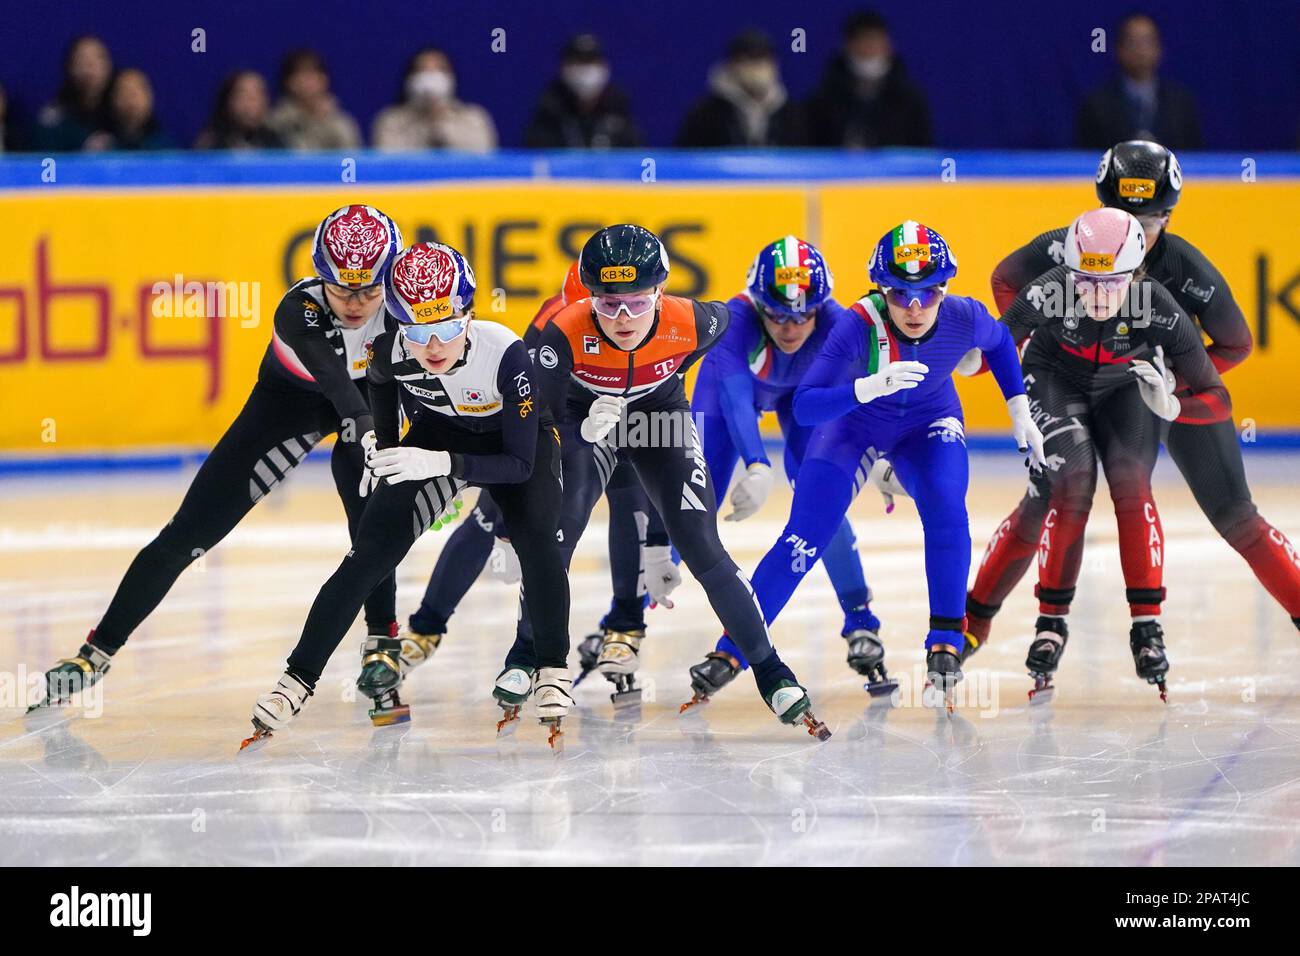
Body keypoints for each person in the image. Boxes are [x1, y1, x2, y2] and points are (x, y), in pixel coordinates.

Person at [29, 205, 404, 711]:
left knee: (372, 519)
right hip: (291, 405)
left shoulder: (409, 304)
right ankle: (93, 654)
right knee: (187, 536)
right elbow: (338, 389)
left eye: (369, 290)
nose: (356, 303)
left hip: (373, 397)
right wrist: (370, 432)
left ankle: (382, 640)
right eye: (342, 289)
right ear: (320, 277)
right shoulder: (298, 310)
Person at [684, 222, 1045, 712]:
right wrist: (866, 388)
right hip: (854, 427)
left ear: (946, 288)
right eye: (900, 294)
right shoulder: (857, 325)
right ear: (882, 290)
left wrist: (1018, 407)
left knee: (945, 503)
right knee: (805, 534)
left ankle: (945, 639)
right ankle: (733, 648)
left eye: (928, 292)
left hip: (928, 424)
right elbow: (807, 407)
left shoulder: (963, 316)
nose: (914, 308)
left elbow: (1001, 342)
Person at [968, 140, 1300, 655]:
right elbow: (1005, 280)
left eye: (1147, 223)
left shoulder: (1186, 270)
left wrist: (1174, 384)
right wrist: (1029, 341)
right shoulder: (1070, 249)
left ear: (1169, 216)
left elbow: (1236, 344)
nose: (1132, 235)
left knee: (1236, 515)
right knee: (1051, 494)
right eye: (1119, 216)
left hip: (1151, 387)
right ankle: (975, 623)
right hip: (1071, 377)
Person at [243, 241, 572, 747]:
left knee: (539, 549)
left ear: (469, 314)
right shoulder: (389, 351)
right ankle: (297, 678)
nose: (434, 346)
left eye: (445, 328)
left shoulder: (503, 351)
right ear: (399, 324)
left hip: (514, 445)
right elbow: (379, 387)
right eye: (418, 332)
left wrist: (443, 465)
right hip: (436, 436)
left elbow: (520, 464)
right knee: (366, 556)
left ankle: (551, 667)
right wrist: (384, 450)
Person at [510, 223, 831, 737]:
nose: (622, 318)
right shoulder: (564, 330)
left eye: (636, 303)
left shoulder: (700, 322)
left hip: (659, 420)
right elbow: (534, 426)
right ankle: (527, 651)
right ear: (589, 296)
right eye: (608, 303)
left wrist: (739, 452)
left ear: (660, 292)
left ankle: (772, 670)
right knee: (559, 529)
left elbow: (726, 370)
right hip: (587, 421)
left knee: (703, 547)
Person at [396, 263, 670, 708]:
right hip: (564, 429)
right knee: (493, 514)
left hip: (625, 420)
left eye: (628, 306)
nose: (615, 322)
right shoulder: (549, 326)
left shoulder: (650, 323)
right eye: (595, 310)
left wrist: (659, 542)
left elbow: (664, 427)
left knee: (631, 491)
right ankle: (428, 628)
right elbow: (525, 417)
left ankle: (626, 621)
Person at [992, 207, 1232, 700]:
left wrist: (1173, 404)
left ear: (1137, 274)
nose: (1099, 296)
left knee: (1130, 479)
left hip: (1127, 385)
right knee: (1073, 479)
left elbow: (1217, 396)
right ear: (1068, 271)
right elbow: (993, 346)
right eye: (1086, 282)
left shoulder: (1157, 302)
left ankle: (1147, 626)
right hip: (1056, 375)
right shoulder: (1052, 287)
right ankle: (1050, 621)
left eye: (1113, 283)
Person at [688, 235, 894, 693]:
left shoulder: (842, 322)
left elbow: (863, 397)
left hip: (804, 401)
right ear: (757, 303)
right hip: (730, 398)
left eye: (803, 314)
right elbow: (736, 398)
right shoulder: (733, 318)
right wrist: (758, 463)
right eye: (777, 314)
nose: (790, 326)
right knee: (691, 505)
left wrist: (882, 456)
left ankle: (860, 618)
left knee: (821, 504)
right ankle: (628, 618)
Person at [806, 11, 933, 148]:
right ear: (847, 46)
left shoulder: (911, 100)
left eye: (875, 40)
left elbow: (923, 152)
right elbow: (811, 154)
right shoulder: (823, 100)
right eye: (863, 40)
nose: (869, 48)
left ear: (889, 46)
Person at [1075, 14, 1201, 150]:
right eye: (1132, 42)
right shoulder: (1097, 105)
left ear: (1159, 48)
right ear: (1118, 49)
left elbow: (1194, 156)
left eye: (1146, 41)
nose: (1140, 50)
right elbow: (1084, 158)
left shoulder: (1180, 103)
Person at [676, 29, 806, 147]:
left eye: (762, 59)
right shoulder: (706, 115)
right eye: (749, 59)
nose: (757, 68)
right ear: (733, 65)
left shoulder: (791, 115)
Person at [523, 34, 643, 149]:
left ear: (604, 67)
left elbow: (637, 159)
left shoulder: (619, 115)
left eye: (591, 61)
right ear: (564, 68)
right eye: (578, 61)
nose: (585, 71)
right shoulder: (549, 116)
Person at [371, 48, 497, 152]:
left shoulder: (474, 118)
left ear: (451, 78)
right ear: (409, 79)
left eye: (439, 70)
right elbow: (390, 160)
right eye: (422, 71)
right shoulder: (390, 121)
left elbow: (482, 156)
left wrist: (439, 122)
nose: (431, 78)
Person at [267, 50, 362, 151]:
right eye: (300, 74)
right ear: (288, 82)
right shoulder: (276, 123)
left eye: (312, 73)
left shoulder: (341, 122)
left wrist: (323, 121)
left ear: (324, 79)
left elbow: (351, 159)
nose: (307, 81)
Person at [32, 35, 112, 152]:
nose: (89, 67)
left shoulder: (119, 114)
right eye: (81, 60)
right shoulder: (52, 121)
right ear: (69, 67)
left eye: (97, 59)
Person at [194, 70, 284, 150]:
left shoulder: (273, 139)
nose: (252, 101)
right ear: (227, 100)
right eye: (243, 94)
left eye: (259, 93)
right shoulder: (211, 143)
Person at [101, 68, 173, 151]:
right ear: (113, 100)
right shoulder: (104, 146)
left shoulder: (165, 148)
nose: (131, 101)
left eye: (135, 93)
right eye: (124, 93)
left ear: (149, 97)